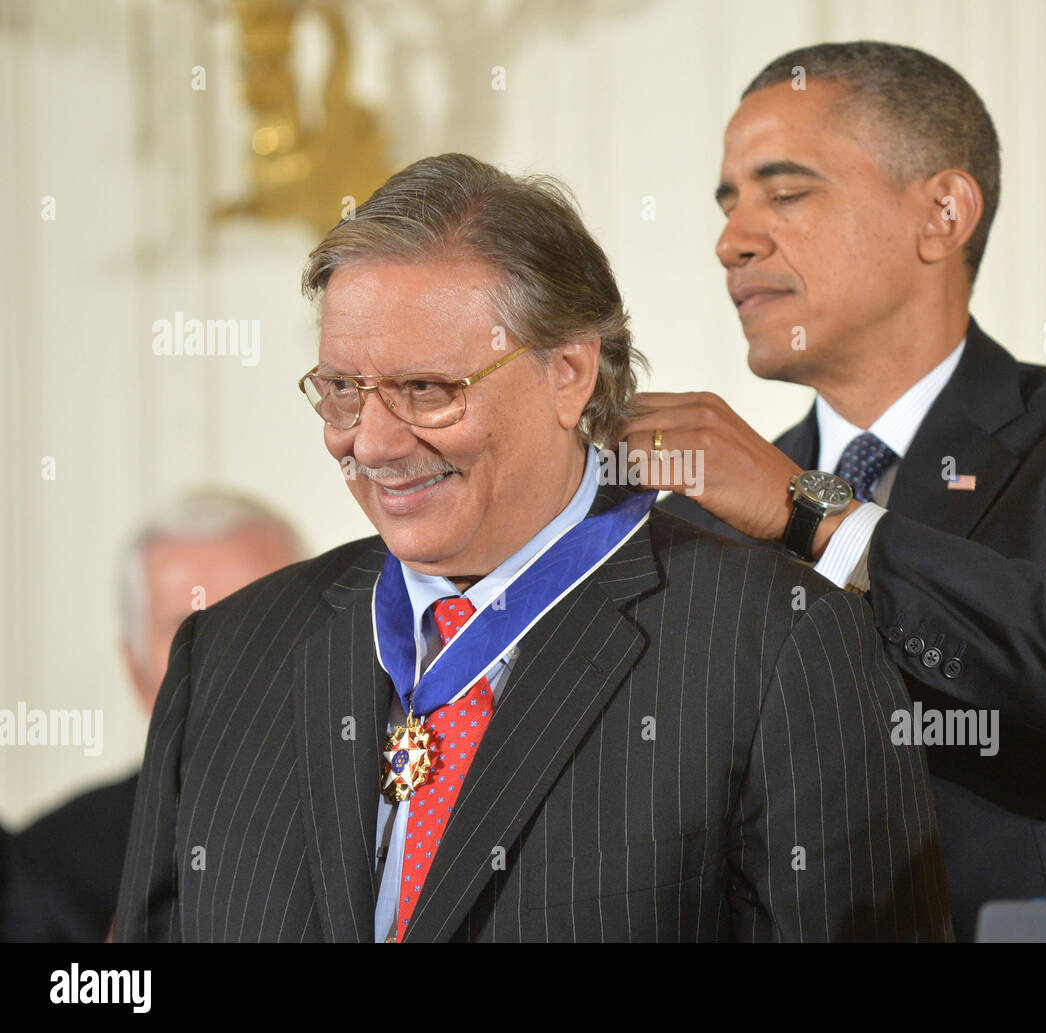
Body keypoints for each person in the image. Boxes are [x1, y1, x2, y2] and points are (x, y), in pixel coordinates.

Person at [115, 153, 952, 943]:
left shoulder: (775, 642)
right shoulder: (224, 655)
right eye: (341, 391)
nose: (369, 443)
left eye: (424, 390)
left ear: (569, 373)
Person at [628, 41, 1046, 941]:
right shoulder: (697, 514)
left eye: (786, 192)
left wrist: (821, 515)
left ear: (943, 213)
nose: (734, 239)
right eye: (729, 203)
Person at [0, 491, 303, 943]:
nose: (235, 659)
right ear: (137, 673)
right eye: (190, 631)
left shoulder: (401, 815)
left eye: (264, 617)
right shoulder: (49, 870)